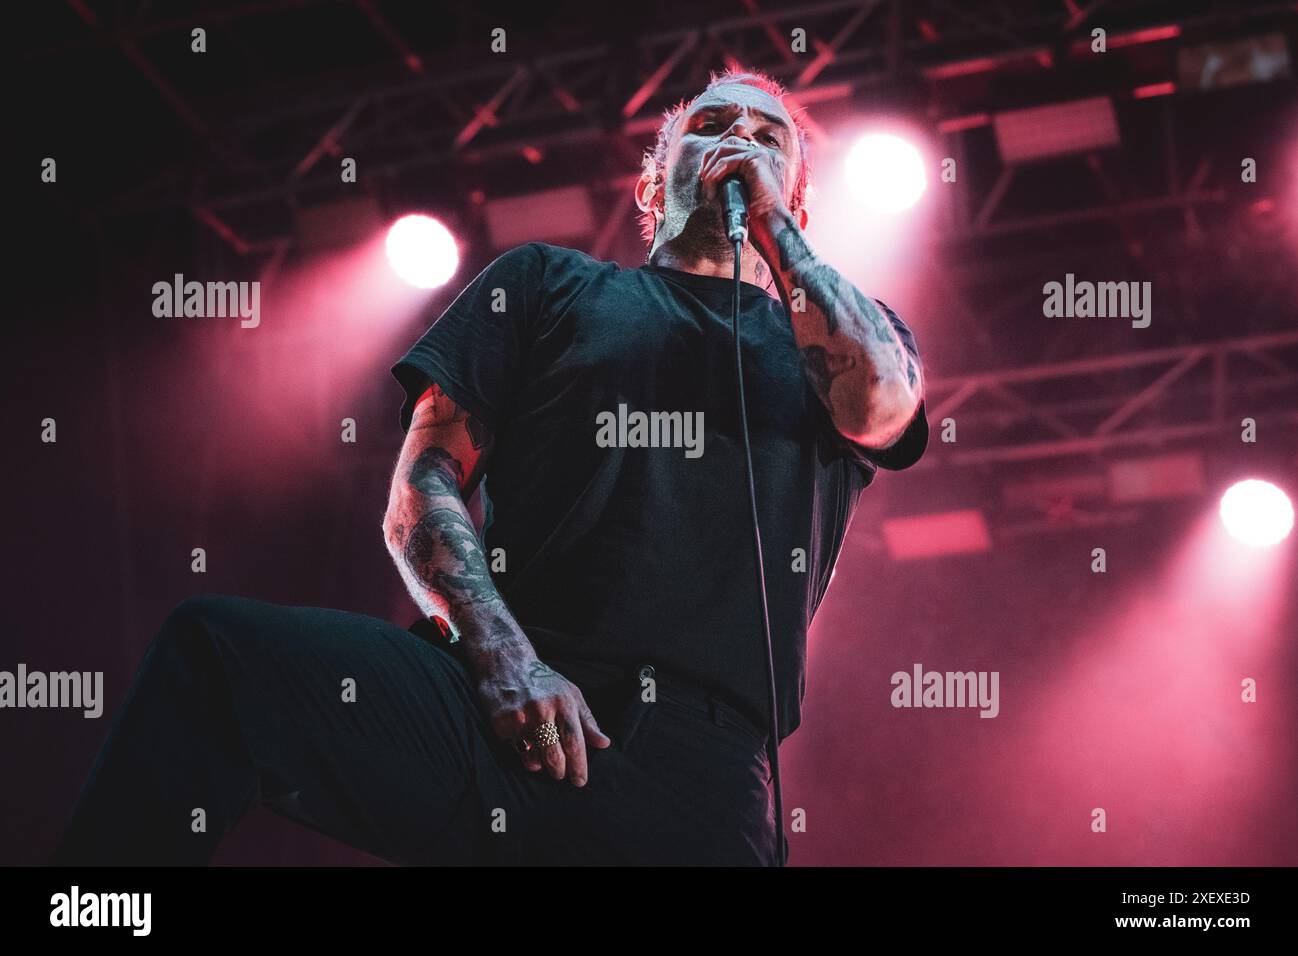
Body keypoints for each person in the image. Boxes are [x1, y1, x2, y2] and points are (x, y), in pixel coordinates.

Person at [51, 68, 927, 867]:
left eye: (767, 136)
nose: (737, 140)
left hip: (702, 769)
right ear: (655, 179)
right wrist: (504, 656)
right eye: (711, 124)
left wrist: (773, 228)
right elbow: (422, 486)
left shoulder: (846, 335)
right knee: (217, 658)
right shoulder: (548, 284)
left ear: (799, 202)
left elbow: (879, 405)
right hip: (506, 704)